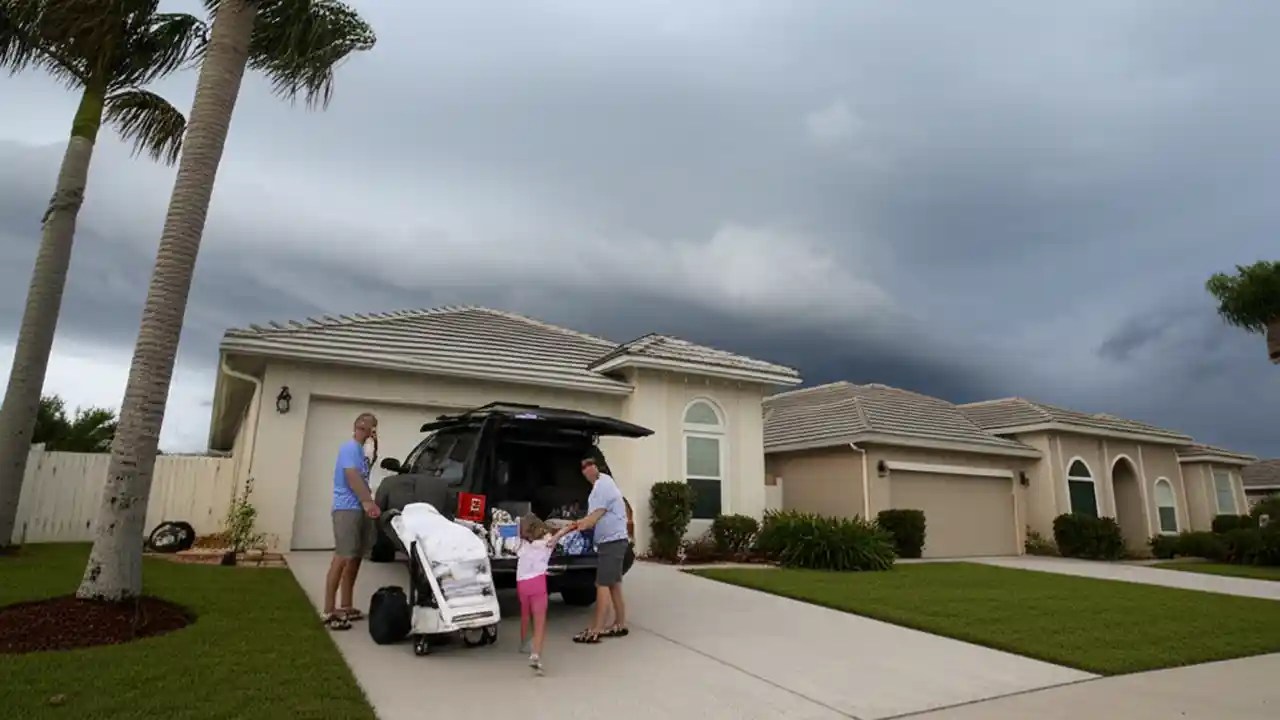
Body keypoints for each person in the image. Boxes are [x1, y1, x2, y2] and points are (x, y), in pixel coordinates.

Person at [322, 412, 380, 631]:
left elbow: (363, 475)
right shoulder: (349, 448)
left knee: (355, 557)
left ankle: (346, 605)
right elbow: (352, 476)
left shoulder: (361, 452)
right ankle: (329, 610)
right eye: (372, 428)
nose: (374, 432)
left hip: (359, 508)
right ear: (362, 427)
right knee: (343, 555)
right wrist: (367, 502)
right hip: (347, 508)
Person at [570, 457, 630, 644]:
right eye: (583, 467)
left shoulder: (603, 486)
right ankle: (620, 625)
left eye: (590, 465)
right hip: (612, 541)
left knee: (602, 584)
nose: (587, 470)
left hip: (612, 542)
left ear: (598, 467)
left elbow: (593, 518)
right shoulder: (601, 485)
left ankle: (596, 628)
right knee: (614, 584)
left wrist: (567, 528)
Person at [516, 514, 574, 673]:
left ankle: (524, 642)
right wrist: (569, 527)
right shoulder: (547, 543)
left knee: (526, 615)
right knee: (540, 622)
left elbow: (510, 538)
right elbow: (559, 534)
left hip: (522, 585)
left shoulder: (521, 545)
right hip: (538, 584)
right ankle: (536, 654)